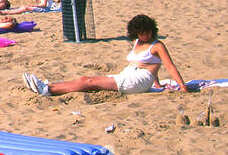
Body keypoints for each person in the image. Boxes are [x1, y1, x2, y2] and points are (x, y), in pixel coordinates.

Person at [23, 14, 190, 98]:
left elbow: (168, 66)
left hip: (138, 81)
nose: (145, 35)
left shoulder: (158, 45)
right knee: (86, 79)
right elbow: (153, 67)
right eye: (141, 33)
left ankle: (47, 90)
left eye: (147, 32)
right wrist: (158, 84)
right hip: (130, 74)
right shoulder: (137, 43)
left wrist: (182, 87)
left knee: (89, 82)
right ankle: (49, 85)